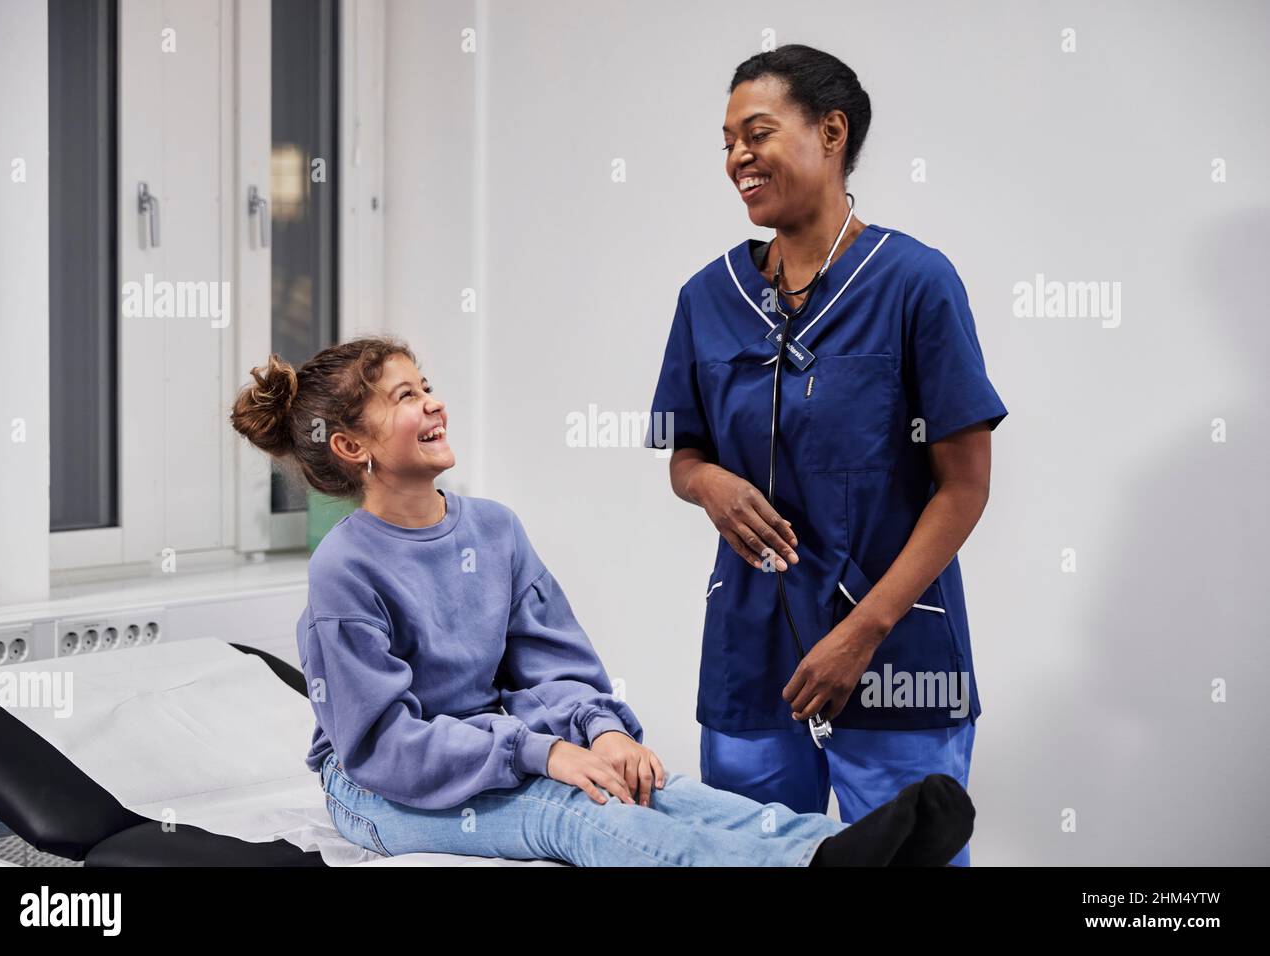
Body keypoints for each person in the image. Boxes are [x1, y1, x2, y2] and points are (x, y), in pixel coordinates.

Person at [230, 335, 976, 866]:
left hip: (486, 744)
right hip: (376, 787)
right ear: (353, 447)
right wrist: (543, 752)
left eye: (426, 386)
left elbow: (554, 665)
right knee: (577, 816)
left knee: (655, 788)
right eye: (405, 397)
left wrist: (600, 730)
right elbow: (382, 744)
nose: (434, 404)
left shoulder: (493, 529)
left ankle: (827, 847)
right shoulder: (345, 567)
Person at [645, 45, 1008, 866]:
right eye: (728, 139)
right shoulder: (707, 298)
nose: (738, 155)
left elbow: (966, 484)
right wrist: (707, 484)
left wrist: (862, 632)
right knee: (749, 858)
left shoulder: (916, 282)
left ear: (832, 131)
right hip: (752, 656)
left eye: (758, 132)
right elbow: (684, 453)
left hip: (896, 652)